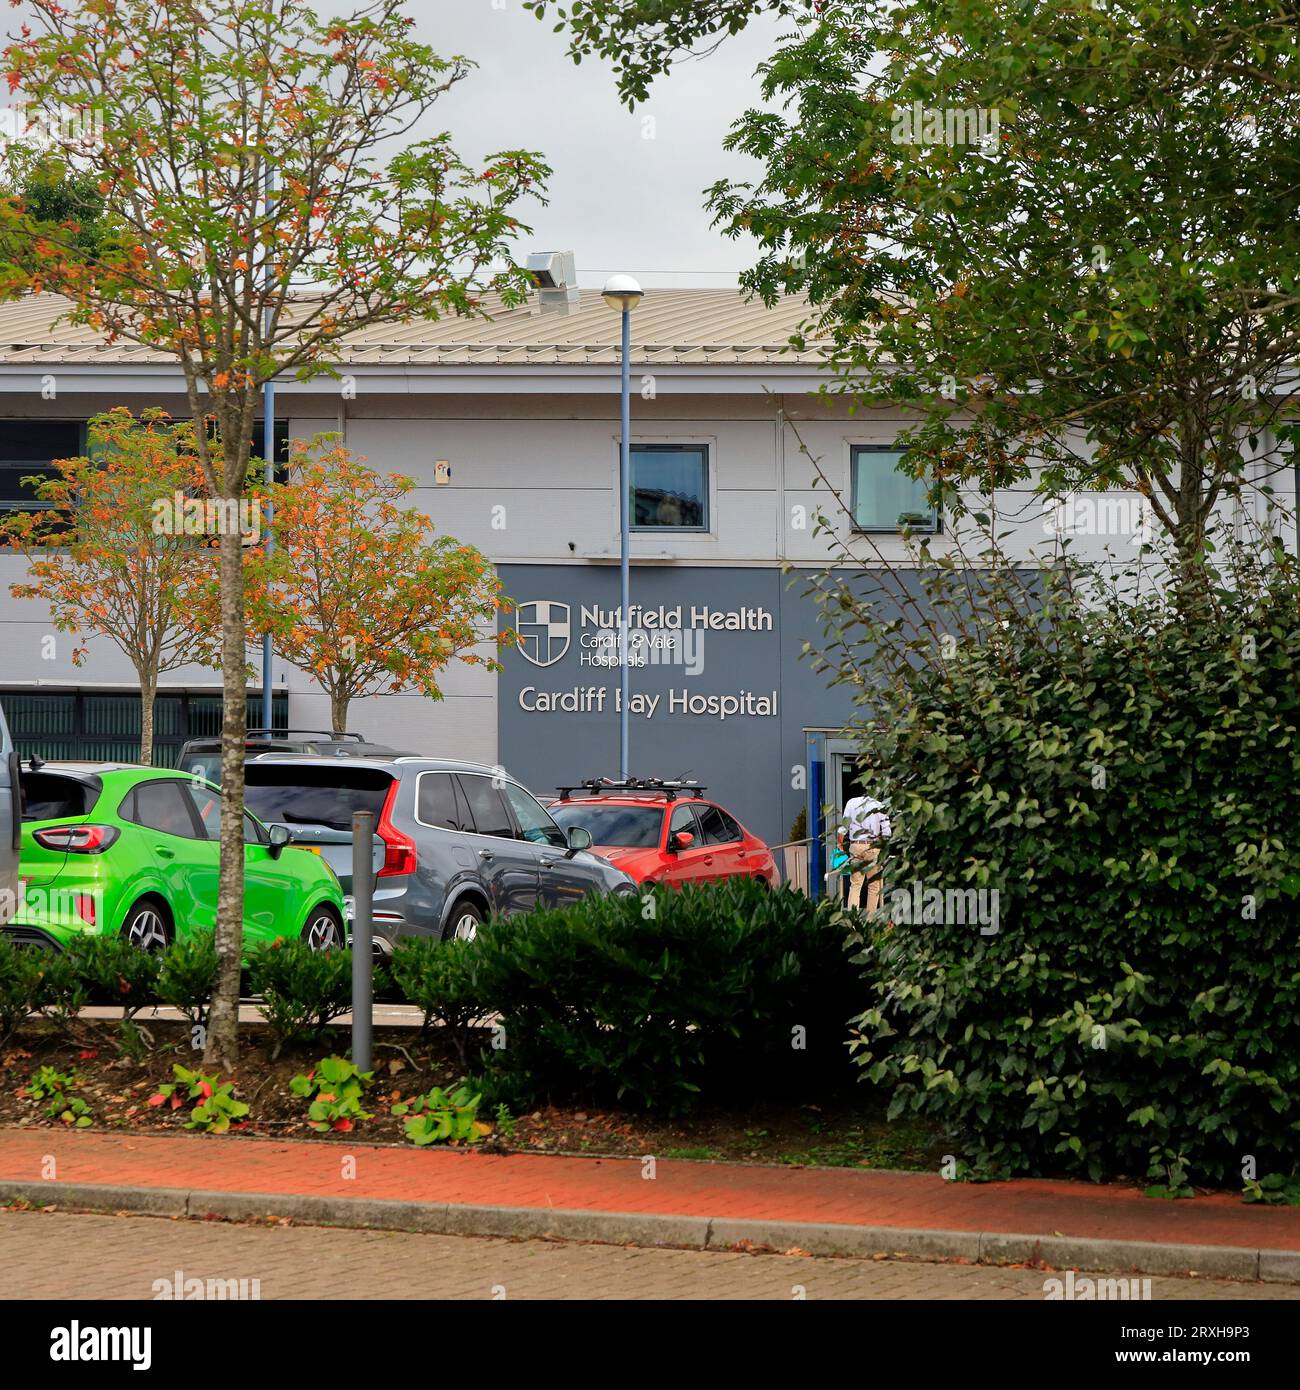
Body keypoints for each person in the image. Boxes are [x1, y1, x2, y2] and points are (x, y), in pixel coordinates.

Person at [839, 792, 891, 914]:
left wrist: (840, 844)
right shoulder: (879, 805)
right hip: (873, 847)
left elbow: (843, 828)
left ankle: (852, 919)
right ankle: (870, 920)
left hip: (856, 846)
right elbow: (887, 832)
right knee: (873, 885)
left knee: (855, 885)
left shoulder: (851, 802)